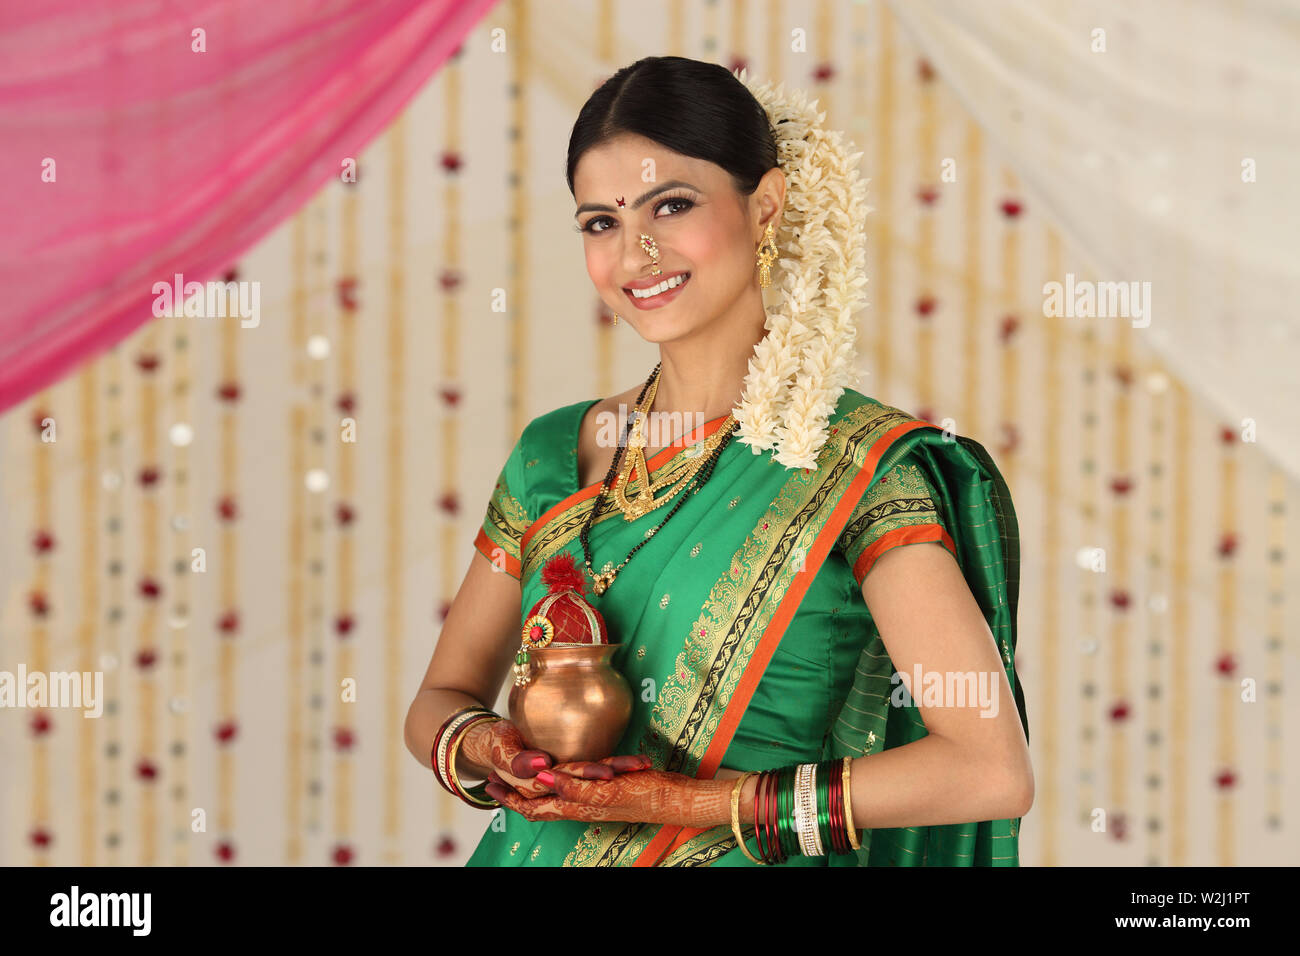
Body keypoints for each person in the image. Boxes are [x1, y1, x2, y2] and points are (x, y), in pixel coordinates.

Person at [403, 55, 1032, 867]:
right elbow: (437, 700)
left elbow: (989, 768)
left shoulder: (855, 467)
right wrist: (489, 749)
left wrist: (691, 802)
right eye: (601, 223)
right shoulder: (555, 456)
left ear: (765, 207)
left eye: (672, 205)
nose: (636, 255)